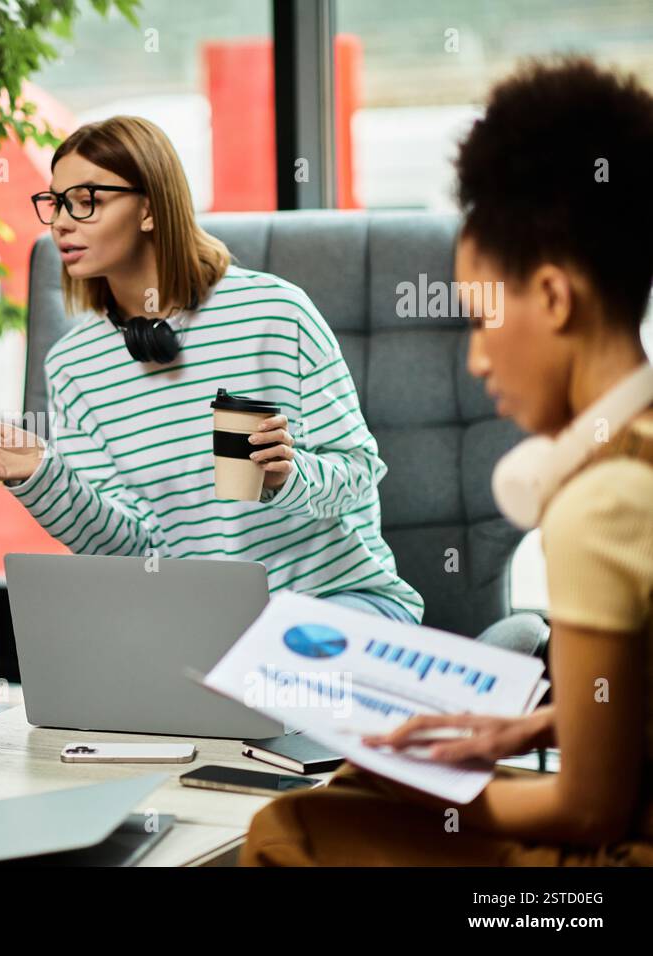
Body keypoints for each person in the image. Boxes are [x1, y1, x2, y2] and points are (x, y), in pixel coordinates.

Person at [241, 58, 653, 866]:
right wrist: (537, 724)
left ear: (554, 298)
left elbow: (589, 809)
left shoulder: (598, 503)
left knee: (296, 829)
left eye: (480, 318)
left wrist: (425, 785)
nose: (476, 360)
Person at [0, 116, 422, 623]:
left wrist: (287, 476)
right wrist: (40, 476)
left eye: (85, 201)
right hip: (202, 622)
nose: (60, 222)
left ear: (149, 208)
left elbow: (360, 478)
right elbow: (132, 549)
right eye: (55, 203)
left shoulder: (276, 313)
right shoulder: (74, 366)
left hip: (334, 604)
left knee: (266, 684)